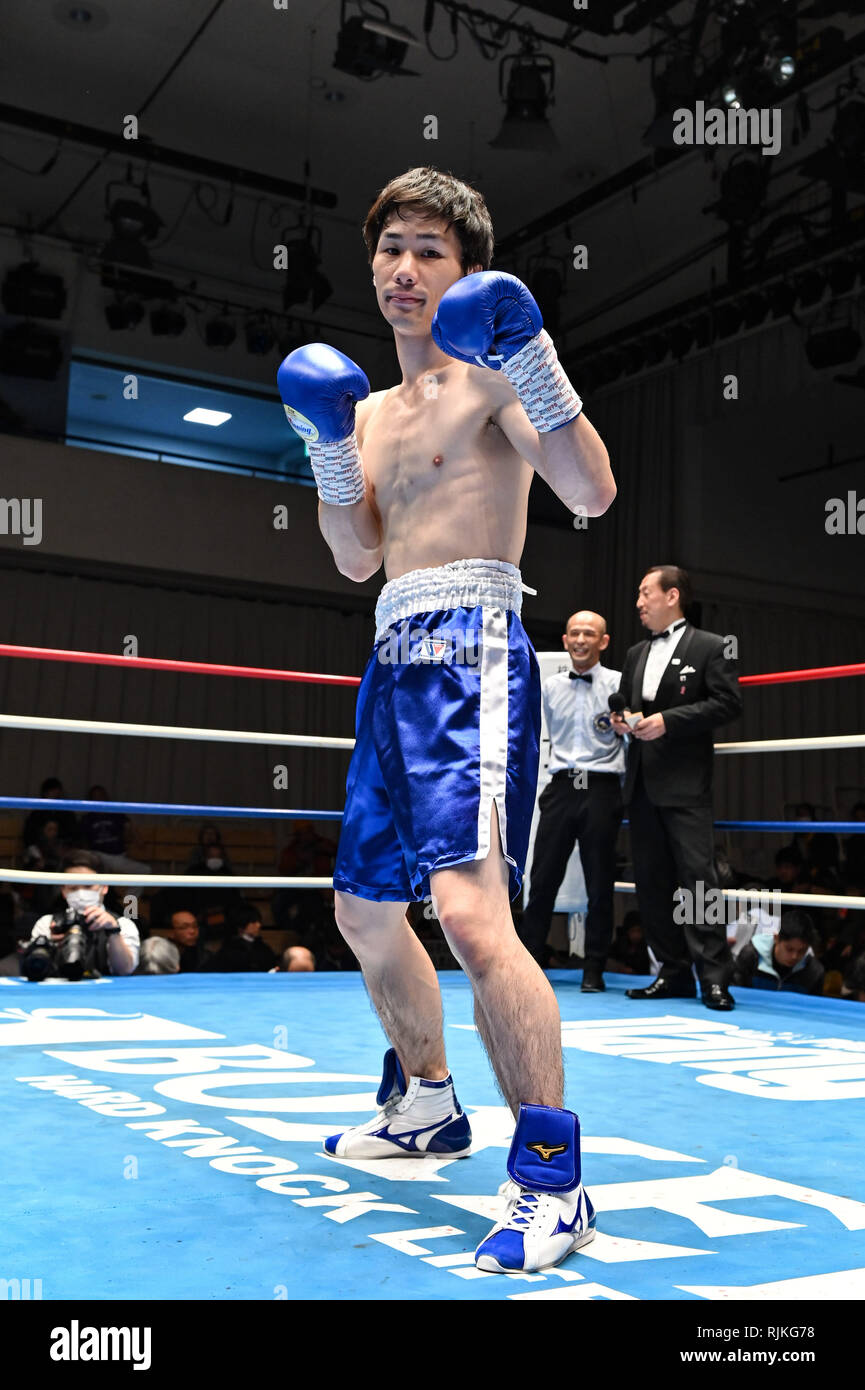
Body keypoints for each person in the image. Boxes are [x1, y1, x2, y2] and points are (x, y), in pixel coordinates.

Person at [277, 166, 615, 1273]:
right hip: (390, 648)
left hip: (472, 646)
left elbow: (591, 491)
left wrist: (535, 359)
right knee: (365, 909)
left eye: (428, 250)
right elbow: (353, 553)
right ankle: (426, 1102)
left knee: (472, 916)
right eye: (390, 250)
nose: (404, 269)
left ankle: (553, 1180)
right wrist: (330, 447)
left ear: (466, 271)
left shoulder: (487, 380)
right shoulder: (367, 408)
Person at [611, 565, 743, 1011]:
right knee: (651, 882)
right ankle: (671, 971)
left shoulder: (710, 646)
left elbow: (728, 703)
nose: (639, 602)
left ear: (672, 596)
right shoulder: (633, 654)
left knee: (698, 881)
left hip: (686, 785)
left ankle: (714, 978)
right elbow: (631, 706)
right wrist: (622, 722)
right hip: (642, 783)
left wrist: (669, 720)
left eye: (645, 593)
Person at [519, 610, 624, 990]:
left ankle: (594, 967)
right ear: (565, 641)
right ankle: (529, 963)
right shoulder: (549, 687)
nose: (581, 639)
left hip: (602, 787)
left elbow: (631, 735)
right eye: (575, 633)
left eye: (589, 634)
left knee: (600, 881)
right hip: (562, 784)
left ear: (603, 641)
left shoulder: (618, 684)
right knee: (543, 876)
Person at [25, 850, 139, 976]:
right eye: (73, 888)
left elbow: (125, 970)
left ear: (104, 887)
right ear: (63, 891)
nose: (80, 893)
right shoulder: (46, 924)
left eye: (88, 886)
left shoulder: (123, 925)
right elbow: (34, 970)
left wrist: (113, 932)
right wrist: (49, 946)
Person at [733, 911, 825, 996]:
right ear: (776, 938)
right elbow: (735, 994)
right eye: (789, 949)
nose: (794, 956)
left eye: (802, 951)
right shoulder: (750, 957)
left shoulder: (814, 971)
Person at [209, 903, 278, 972]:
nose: (258, 925)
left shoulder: (264, 949)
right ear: (241, 923)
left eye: (259, 921)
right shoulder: (229, 950)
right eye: (253, 922)